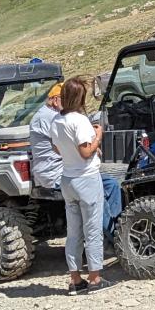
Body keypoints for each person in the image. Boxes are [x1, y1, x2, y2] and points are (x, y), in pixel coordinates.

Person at [51, 76, 107, 292]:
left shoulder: (56, 121)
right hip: (86, 178)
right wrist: (97, 138)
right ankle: (95, 278)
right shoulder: (79, 120)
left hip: (67, 178)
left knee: (73, 232)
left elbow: (57, 149)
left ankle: (75, 279)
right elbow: (85, 152)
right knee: (92, 229)